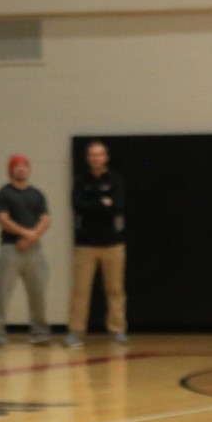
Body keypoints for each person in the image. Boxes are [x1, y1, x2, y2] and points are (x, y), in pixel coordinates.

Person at [67, 140, 128, 348]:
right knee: (81, 290)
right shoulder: (80, 180)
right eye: (92, 155)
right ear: (87, 158)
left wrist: (95, 203)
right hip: (86, 244)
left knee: (115, 289)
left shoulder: (115, 179)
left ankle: (118, 330)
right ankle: (76, 331)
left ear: (106, 157)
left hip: (113, 244)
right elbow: (78, 206)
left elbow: (118, 206)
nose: (96, 158)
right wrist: (102, 201)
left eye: (99, 154)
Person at [0, 154, 51, 346]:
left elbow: (45, 219)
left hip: (34, 250)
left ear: (29, 169)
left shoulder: (37, 194)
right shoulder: (3, 194)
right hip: (11, 249)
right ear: (11, 170)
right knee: (3, 293)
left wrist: (33, 236)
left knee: (38, 292)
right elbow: (3, 219)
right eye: (17, 166)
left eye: (24, 166)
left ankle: (39, 332)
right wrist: (26, 234)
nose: (21, 169)